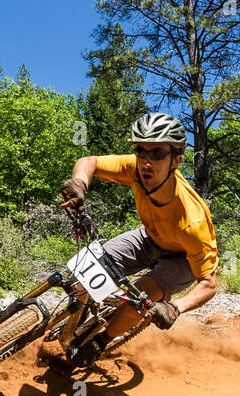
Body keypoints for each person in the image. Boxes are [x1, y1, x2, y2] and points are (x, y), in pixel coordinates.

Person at [58, 112, 219, 365]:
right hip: (149, 238)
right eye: (141, 151)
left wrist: (176, 307)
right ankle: (74, 317)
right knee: (84, 272)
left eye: (157, 154)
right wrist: (80, 182)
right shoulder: (134, 168)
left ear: (176, 159)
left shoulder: (192, 221)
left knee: (142, 296)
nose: (146, 161)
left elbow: (209, 283)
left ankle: (100, 342)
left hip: (181, 259)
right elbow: (90, 161)